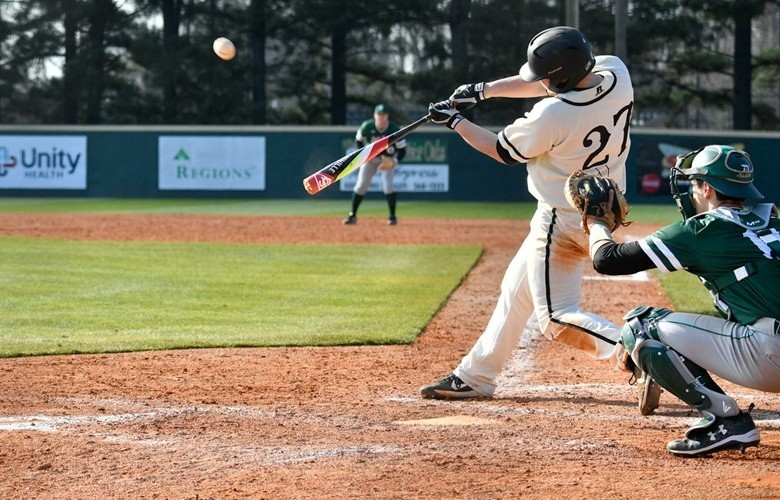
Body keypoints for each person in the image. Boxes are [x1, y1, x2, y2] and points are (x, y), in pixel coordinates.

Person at [420, 26, 661, 412]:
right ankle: (476, 375)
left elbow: (500, 150)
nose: (542, 83)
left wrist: (455, 121)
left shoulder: (553, 114)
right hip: (606, 208)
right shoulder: (617, 73)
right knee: (516, 290)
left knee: (556, 317)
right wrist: (483, 91)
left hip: (562, 219)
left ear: (561, 79)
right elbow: (549, 81)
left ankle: (641, 352)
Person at [585, 144, 780, 457]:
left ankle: (727, 421)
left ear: (707, 188)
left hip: (771, 357)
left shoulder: (702, 229)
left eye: (694, 183)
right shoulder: (774, 223)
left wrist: (597, 221)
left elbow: (607, 259)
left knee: (641, 327)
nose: (691, 191)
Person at [343, 104, 407, 226]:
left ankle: (392, 217)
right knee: (361, 185)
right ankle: (352, 215)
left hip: (388, 159)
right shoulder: (367, 126)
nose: (381, 117)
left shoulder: (394, 129)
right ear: (374, 115)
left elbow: (402, 150)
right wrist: (364, 156)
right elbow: (358, 141)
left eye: (383, 115)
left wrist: (394, 161)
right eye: (379, 114)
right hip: (371, 158)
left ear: (387, 116)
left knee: (388, 186)